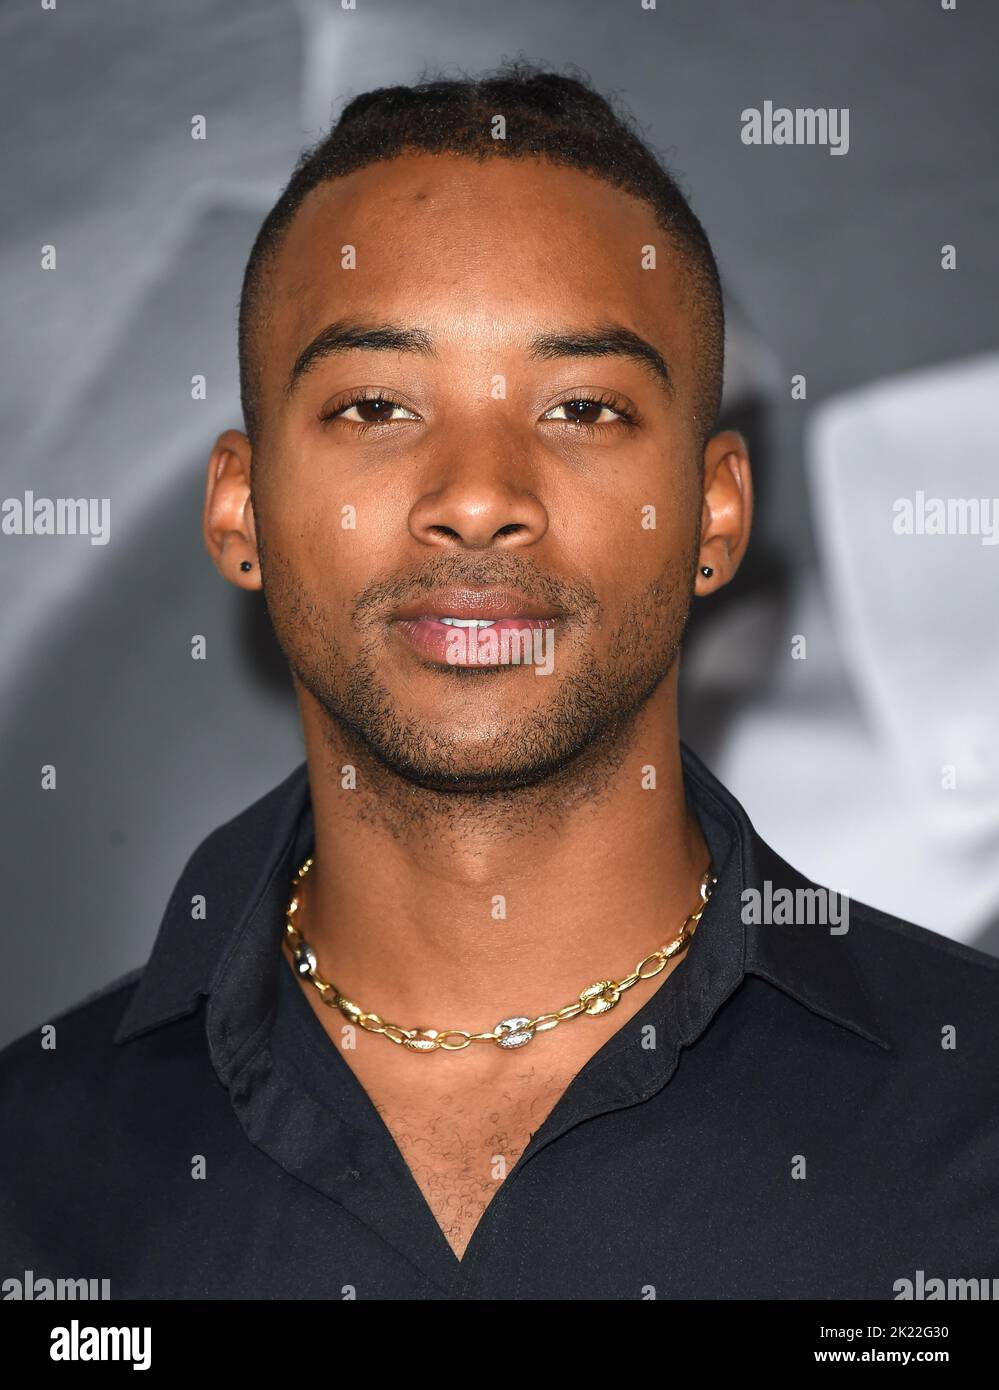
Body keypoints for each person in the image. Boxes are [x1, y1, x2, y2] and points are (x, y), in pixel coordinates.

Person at [2, 61, 997, 1301]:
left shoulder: (972, 1120)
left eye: (581, 406)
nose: (478, 497)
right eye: (374, 405)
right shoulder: (29, 1180)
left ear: (716, 511)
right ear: (241, 508)